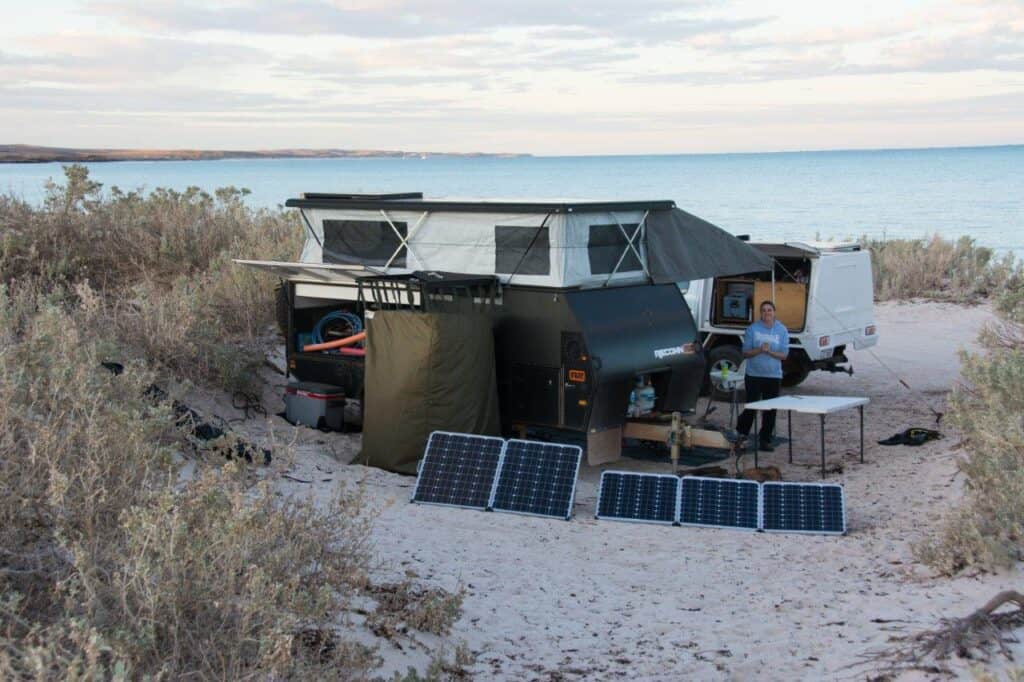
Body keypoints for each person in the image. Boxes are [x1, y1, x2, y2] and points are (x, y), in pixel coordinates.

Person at [736, 300, 789, 451]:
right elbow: (745, 352)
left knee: (770, 409)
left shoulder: (782, 330)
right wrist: (759, 350)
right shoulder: (753, 329)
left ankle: (765, 439)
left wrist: (770, 352)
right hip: (754, 374)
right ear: (760, 313)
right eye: (764, 310)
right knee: (751, 406)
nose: (767, 313)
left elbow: (784, 355)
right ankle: (742, 434)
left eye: (769, 310)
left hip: (773, 376)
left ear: (774, 312)